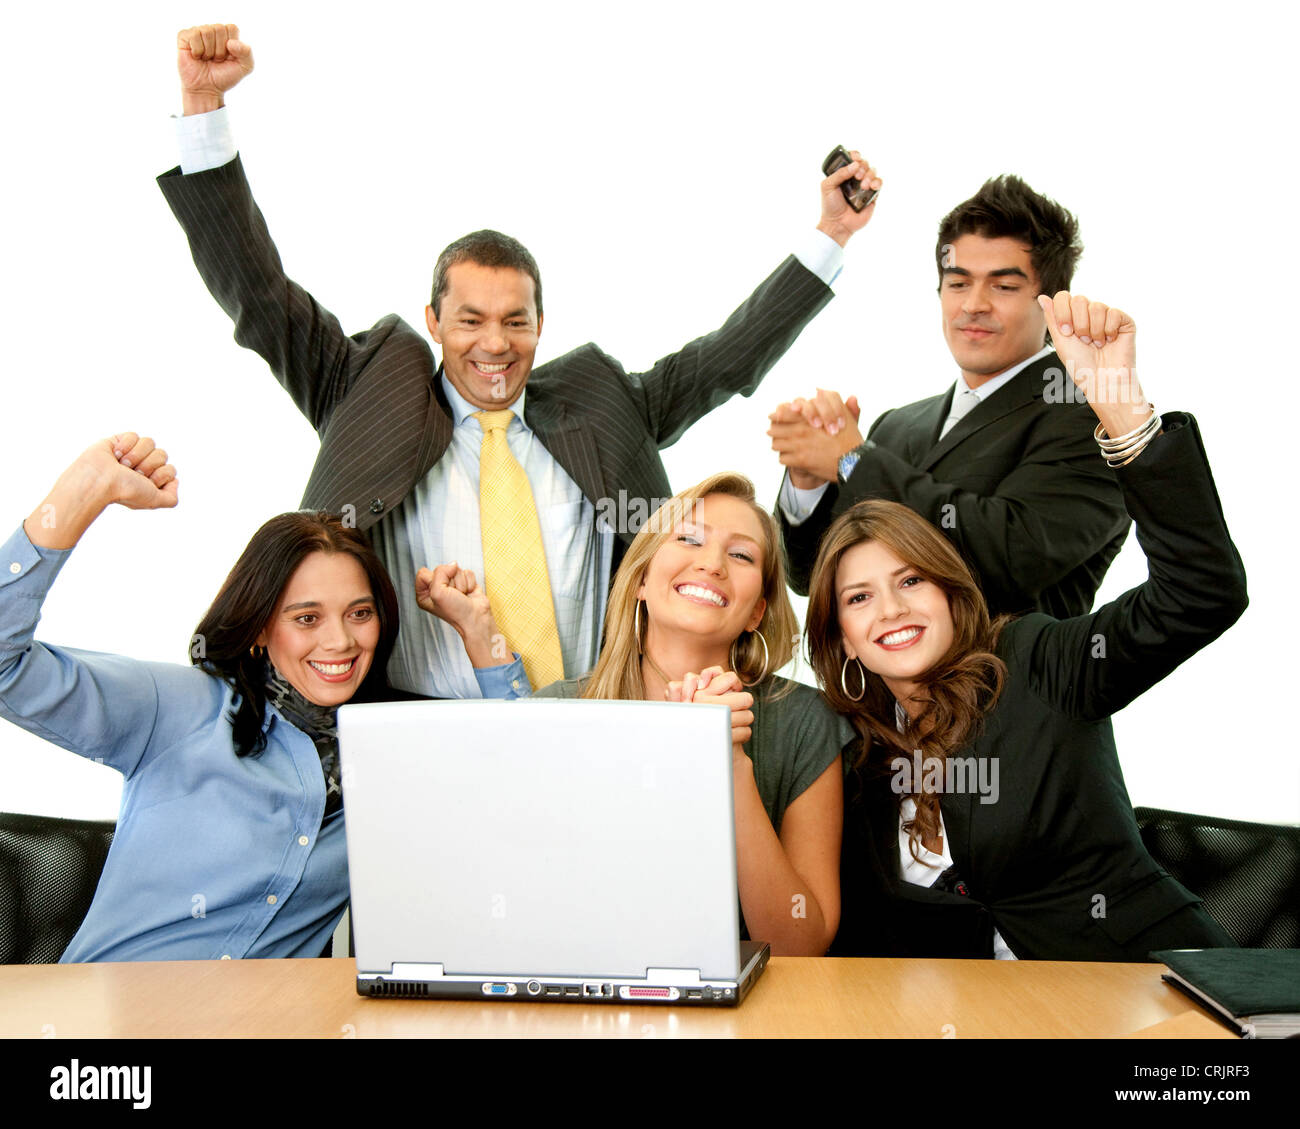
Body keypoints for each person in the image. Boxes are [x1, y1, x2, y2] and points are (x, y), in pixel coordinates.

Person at [160, 23, 881, 700]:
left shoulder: (600, 399)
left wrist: (830, 235)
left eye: (516, 321)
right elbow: (259, 295)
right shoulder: (363, 384)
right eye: (470, 321)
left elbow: (725, 359)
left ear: (542, 326)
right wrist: (204, 104)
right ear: (434, 321)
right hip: (405, 719)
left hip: (592, 715)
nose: (495, 344)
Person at [802, 292, 1247, 961]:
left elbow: (1201, 592)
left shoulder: (1039, 660)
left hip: (1149, 996)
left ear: (952, 591)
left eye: (911, 580)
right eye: (859, 597)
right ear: (841, 635)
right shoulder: (859, 750)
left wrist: (1119, 405)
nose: (890, 609)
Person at [0, 432, 401, 962]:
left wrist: (482, 645)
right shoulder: (178, 707)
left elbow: (516, 790)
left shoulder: (391, 757)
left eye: (359, 613)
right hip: (110, 1021)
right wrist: (83, 492)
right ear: (259, 627)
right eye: (307, 618)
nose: (340, 641)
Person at [418, 474, 850, 956]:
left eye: (741, 555)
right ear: (642, 578)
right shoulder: (559, 712)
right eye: (688, 539)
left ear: (757, 613)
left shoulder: (805, 720)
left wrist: (730, 765)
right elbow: (518, 917)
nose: (710, 563)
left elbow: (800, 947)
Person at [771, 175, 1130, 620]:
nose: (973, 304)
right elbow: (810, 577)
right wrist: (810, 482)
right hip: (875, 689)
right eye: (958, 283)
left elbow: (1012, 556)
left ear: (1052, 304)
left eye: (1003, 286)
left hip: (1005, 684)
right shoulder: (897, 426)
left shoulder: (1097, 422)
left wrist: (851, 462)